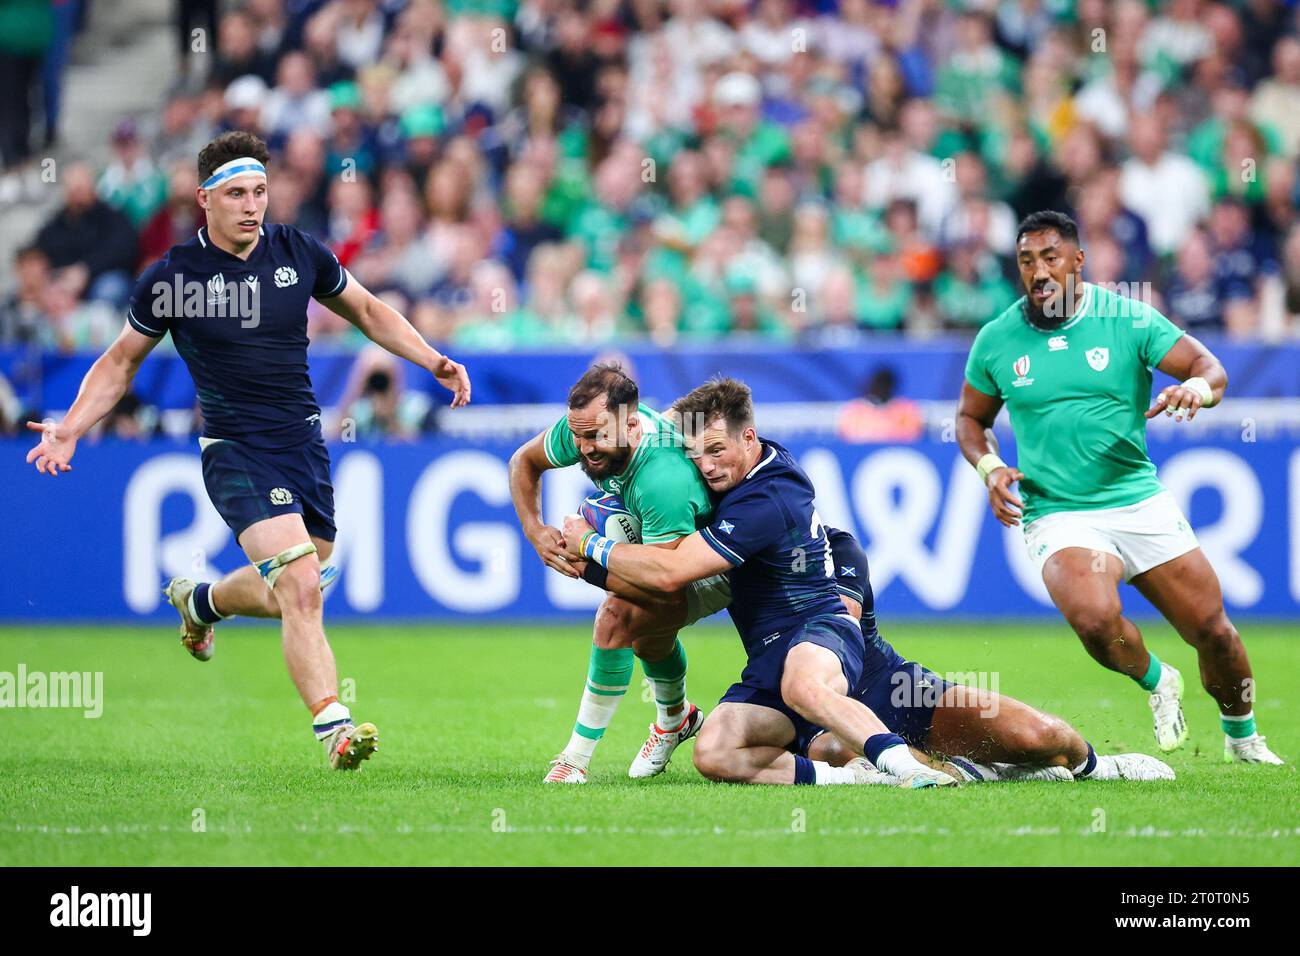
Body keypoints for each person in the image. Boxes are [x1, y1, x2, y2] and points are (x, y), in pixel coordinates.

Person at [25, 131, 471, 770]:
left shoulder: (298, 252)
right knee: (299, 584)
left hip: (303, 448)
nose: (251, 204)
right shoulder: (174, 279)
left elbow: (369, 311)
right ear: (204, 199)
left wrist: (433, 360)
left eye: (260, 190)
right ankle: (334, 727)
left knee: (293, 587)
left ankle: (201, 601)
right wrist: (71, 425)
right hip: (234, 448)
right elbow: (121, 362)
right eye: (236, 193)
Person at [563, 378, 1175, 786]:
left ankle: (1097, 766)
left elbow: (672, 570)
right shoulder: (718, 482)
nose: (707, 466)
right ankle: (875, 770)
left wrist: (592, 546)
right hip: (776, 668)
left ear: (749, 437)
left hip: (846, 656)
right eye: (698, 456)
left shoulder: (769, 495)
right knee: (717, 751)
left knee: (1043, 739)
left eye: (717, 451)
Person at [956, 210, 1283, 765]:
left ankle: (1244, 738)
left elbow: (1210, 367)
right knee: (1092, 618)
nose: (1038, 271)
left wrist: (1198, 389)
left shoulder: (1128, 319)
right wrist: (991, 468)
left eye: (1050, 257)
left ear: (1078, 261)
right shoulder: (996, 340)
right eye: (1027, 260)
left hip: (1137, 499)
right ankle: (1158, 681)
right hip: (1057, 511)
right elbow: (969, 419)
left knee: (1215, 633)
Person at [508, 363, 725, 783]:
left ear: (631, 424)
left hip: (714, 563)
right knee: (648, 638)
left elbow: (667, 581)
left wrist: (589, 556)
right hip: (662, 549)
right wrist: (535, 531)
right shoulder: (588, 427)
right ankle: (677, 718)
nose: (584, 447)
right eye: (578, 434)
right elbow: (523, 461)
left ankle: (573, 760)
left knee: (616, 618)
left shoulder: (663, 475)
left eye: (595, 436)